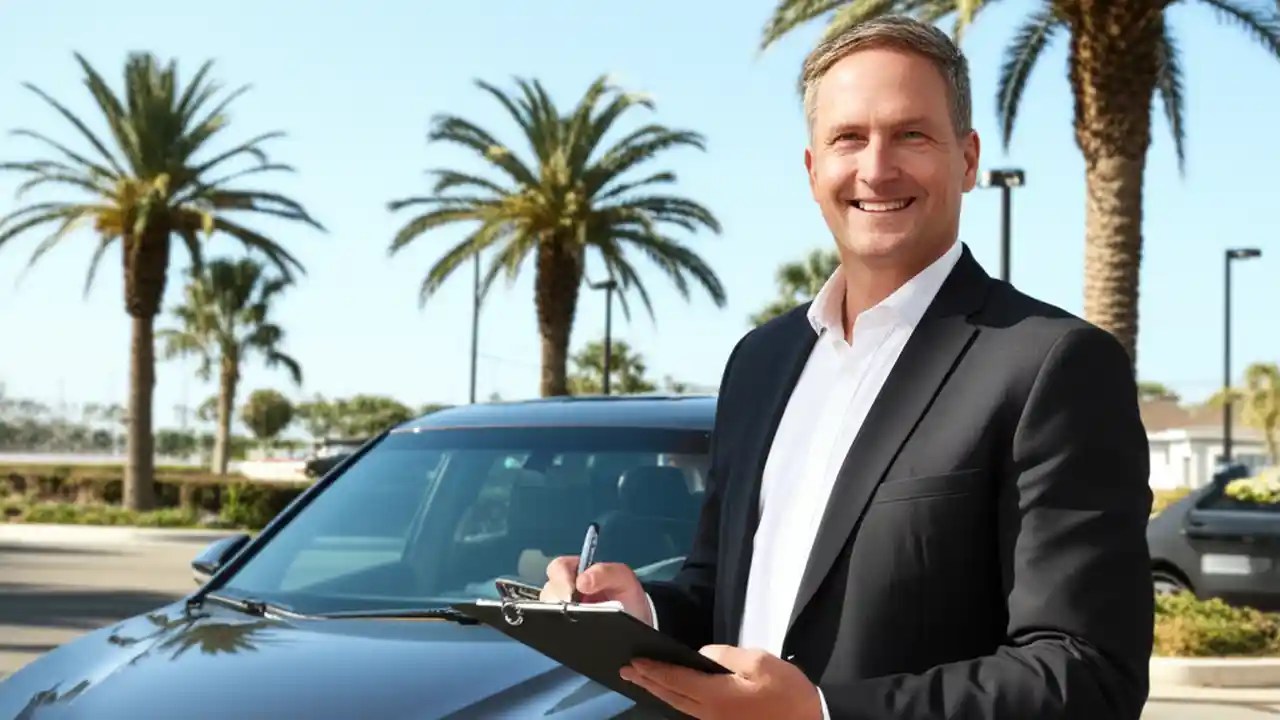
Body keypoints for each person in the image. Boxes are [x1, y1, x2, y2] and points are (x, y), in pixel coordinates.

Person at [541, 15, 1153, 720]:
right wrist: (639, 611)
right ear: (812, 169)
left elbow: (1086, 675)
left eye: (911, 135)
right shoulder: (760, 362)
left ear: (968, 158)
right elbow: (725, 600)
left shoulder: (1054, 365)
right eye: (848, 138)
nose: (876, 167)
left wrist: (822, 713)